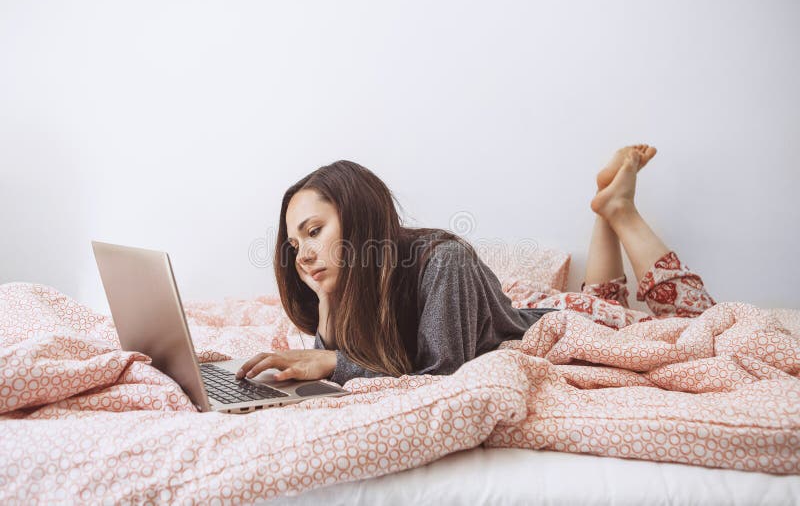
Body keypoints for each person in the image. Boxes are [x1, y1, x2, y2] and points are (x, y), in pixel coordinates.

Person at [235, 145, 716, 385]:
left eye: (314, 231)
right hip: (521, 307)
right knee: (601, 301)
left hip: (554, 320)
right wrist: (325, 299)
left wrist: (333, 363)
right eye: (295, 244)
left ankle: (622, 212)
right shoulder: (350, 289)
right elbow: (363, 356)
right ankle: (606, 207)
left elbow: (442, 374)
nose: (303, 254)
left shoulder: (444, 261)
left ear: (358, 218)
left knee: (694, 325)